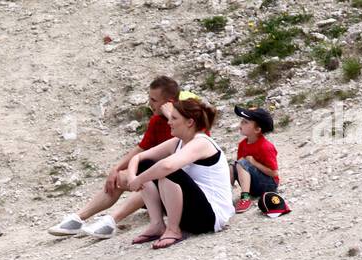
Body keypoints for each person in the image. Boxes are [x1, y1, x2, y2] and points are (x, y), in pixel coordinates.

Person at [47, 76, 199, 240]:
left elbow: (193, 143)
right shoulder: (156, 121)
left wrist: (172, 116)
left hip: (185, 190)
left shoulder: (191, 120)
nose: (149, 103)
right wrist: (116, 169)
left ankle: (112, 220)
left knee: (149, 179)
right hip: (162, 187)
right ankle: (78, 218)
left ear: (168, 102)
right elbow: (141, 149)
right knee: (120, 178)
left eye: (154, 100)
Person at [124, 97, 233, 249]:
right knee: (146, 165)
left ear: (190, 122)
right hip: (191, 213)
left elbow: (167, 166)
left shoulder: (202, 142)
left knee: (167, 170)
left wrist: (139, 179)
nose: (169, 122)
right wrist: (132, 177)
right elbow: (139, 157)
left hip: (209, 217)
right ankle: (157, 225)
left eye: (174, 118)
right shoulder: (178, 142)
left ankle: (173, 229)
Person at [230, 105, 279, 212]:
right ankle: (225, 196)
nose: (241, 124)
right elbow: (240, 168)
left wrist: (254, 162)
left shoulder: (266, 147)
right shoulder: (242, 144)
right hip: (253, 185)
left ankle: (245, 199)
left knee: (242, 163)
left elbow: (274, 173)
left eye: (245, 122)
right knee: (232, 166)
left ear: (257, 129)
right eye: (242, 121)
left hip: (269, 186)